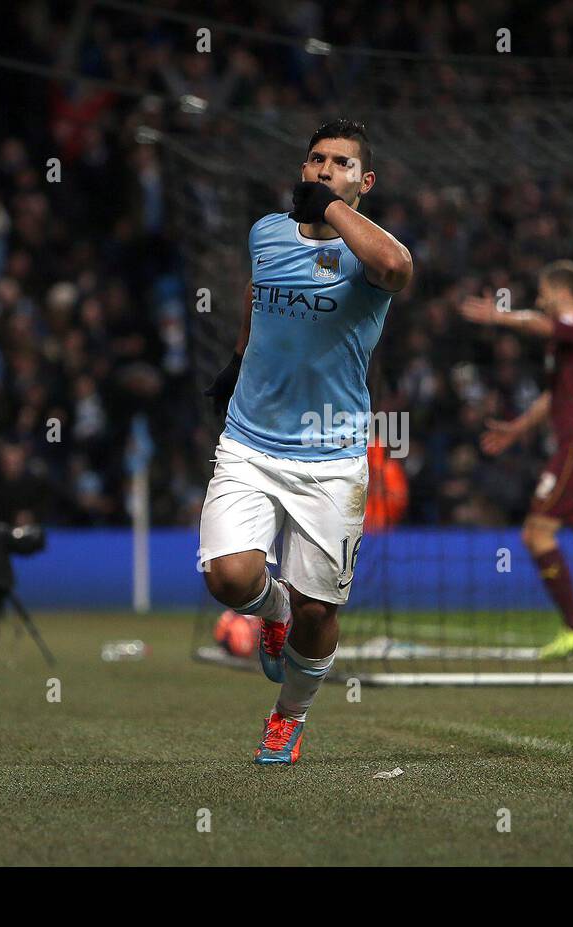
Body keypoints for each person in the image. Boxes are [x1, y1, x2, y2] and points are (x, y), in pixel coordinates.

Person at [199, 120, 412, 765]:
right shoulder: (266, 232)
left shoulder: (373, 253)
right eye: (315, 159)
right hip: (250, 443)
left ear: (364, 181)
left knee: (319, 612)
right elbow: (256, 290)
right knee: (228, 577)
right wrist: (238, 358)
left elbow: (397, 269)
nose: (323, 168)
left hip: (332, 456)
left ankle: (287, 718)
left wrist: (332, 210)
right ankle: (273, 611)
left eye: (340, 162)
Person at [460, 260, 573, 658]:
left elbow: (544, 324)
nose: (540, 301)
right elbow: (555, 396)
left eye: (543, 293)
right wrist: (518, 428)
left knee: (536, 533)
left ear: (561, 292)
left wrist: (500, 317)